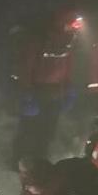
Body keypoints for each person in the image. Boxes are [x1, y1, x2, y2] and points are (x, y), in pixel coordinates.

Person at [11, 9, 85, 161]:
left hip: (56, 93)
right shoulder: (41, 41)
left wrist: (69, 88)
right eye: (72, 25)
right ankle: (18, 160)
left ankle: (40, 161)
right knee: (28, 128)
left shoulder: (69, 42)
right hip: (37, 91)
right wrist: (27, 92)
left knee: (48, 130)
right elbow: (27, 66)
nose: (75, 28)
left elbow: (68, 66)